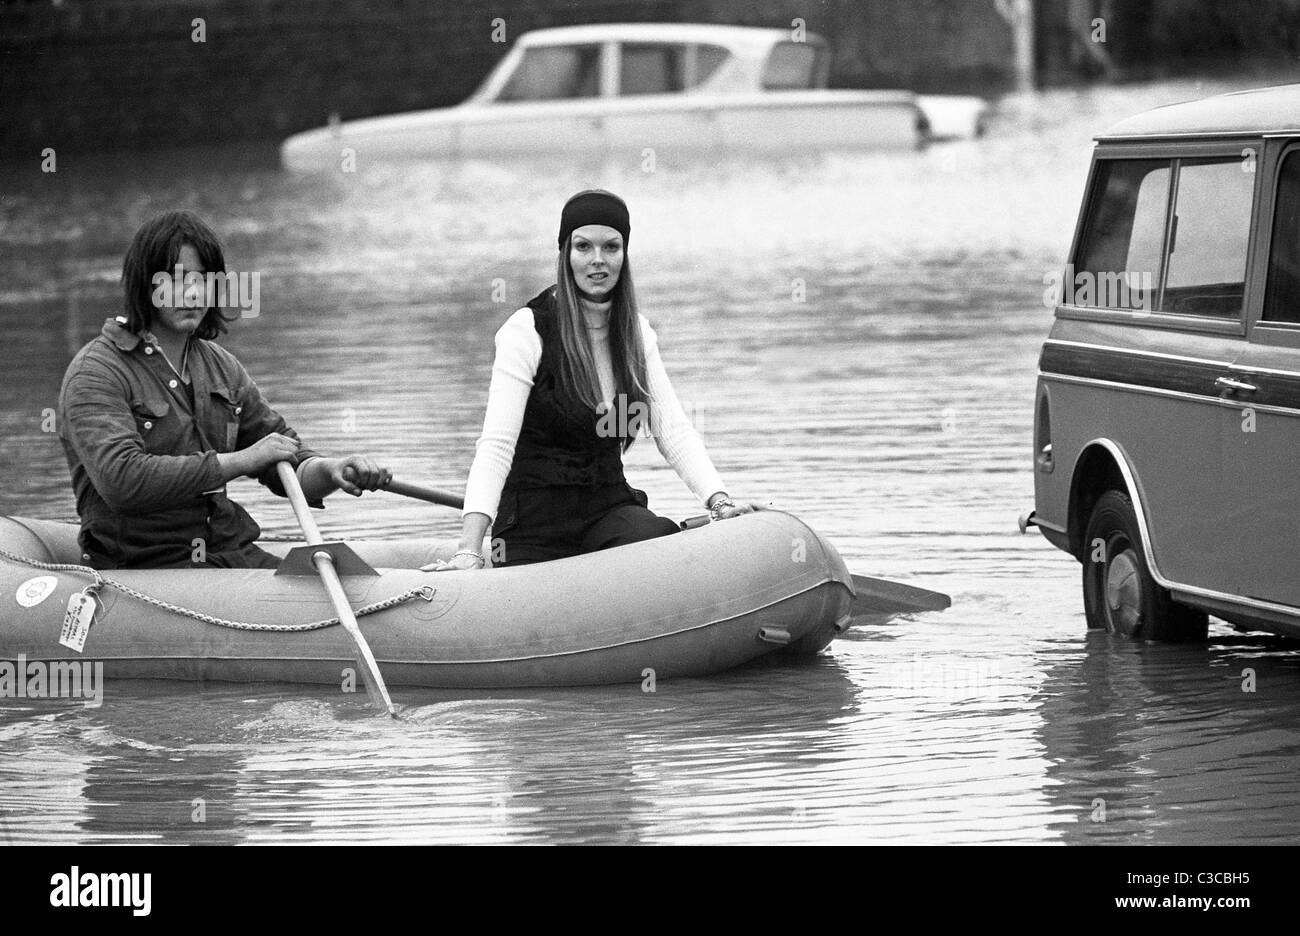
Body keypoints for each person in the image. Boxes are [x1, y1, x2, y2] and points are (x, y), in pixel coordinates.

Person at [429, 189, 758, 571]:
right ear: (566, 254)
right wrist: (469, 548)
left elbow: (673, 431)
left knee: (656, 539)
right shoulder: (525, 332)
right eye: (583, 247)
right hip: (533, 522)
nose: (598, 260)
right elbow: (496, 448)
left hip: (608, 510)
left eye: (611, 247)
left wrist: (719, 502)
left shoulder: (636, 333)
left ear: (624, 255)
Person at [58, 210, 391, 569]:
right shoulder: (95, 372)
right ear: (145, 285)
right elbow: (124, 481)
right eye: (175, 279)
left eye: (203, 279)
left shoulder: (221, 367)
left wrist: (332, 470)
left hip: (229, 554)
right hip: (146, 567)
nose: (192, 292)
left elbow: (282, 458)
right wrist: (242, 460)